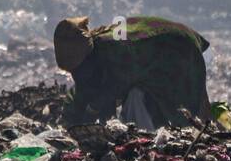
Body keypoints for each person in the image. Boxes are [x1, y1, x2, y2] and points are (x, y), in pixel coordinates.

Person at [54, 15, 210, 129]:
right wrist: (72, 121)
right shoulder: (89, 57)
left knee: (187, 107)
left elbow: (116, 87)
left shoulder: (114, 50)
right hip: (154, 54)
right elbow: (84, 90)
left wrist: (93, 109)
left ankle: (203, 133)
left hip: (177, 46)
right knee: (148, 99)